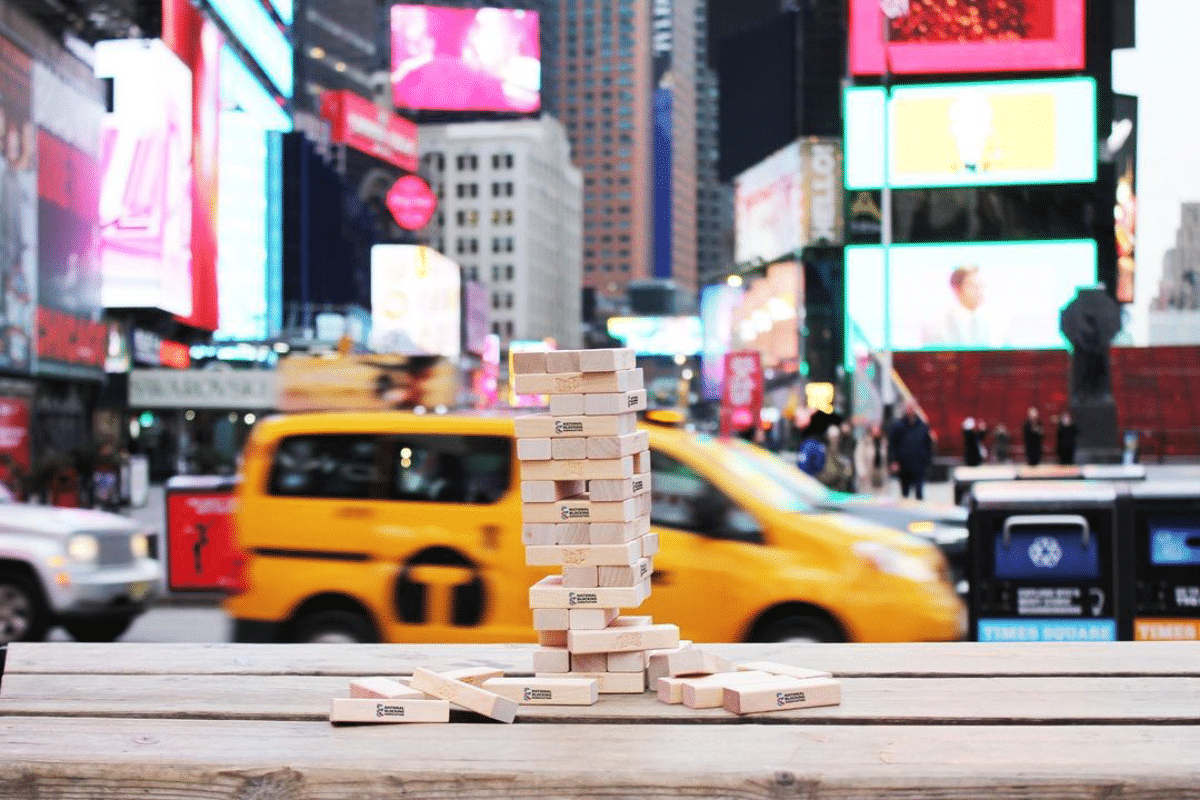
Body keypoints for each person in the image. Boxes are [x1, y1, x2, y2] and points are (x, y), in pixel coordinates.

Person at [920, 264, 1007, 348]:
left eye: (982, 286)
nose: (980, 291)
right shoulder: (934, 327)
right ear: (957, 289)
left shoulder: (998, 323)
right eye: (973, 286)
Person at [888, 402, 933, 500]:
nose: (910, 410)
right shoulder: (898, 426)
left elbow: (928, 444)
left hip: (919, 465)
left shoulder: (923, 425)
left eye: (912, 407)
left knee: (919, 493)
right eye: (908, 407)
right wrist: (893, 461)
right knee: (905, 494)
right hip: (904, 465)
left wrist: (927, 460)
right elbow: (892, 445)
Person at [854, 423, 888, 493]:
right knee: (867, 494)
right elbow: (858, 457)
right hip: (867, 473)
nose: (876, 432)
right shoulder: (864, 441)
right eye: (874, 430)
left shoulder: (884, 442)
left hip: (880, 472)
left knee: (880, 494)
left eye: (878, 430)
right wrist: (861, 472)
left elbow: (886, 457)